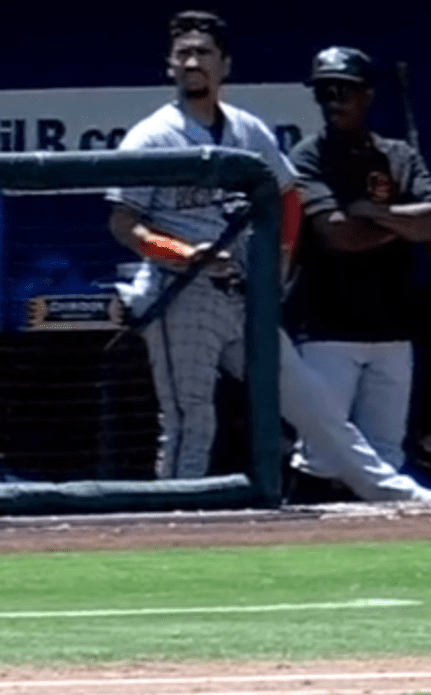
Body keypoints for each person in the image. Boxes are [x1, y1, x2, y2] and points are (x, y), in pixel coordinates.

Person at [105, 10, 430, 502]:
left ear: (225, 65)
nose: (193, 62)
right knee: (192, 420)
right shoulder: (152, 135)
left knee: (313, 404)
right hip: (181, 296)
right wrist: (180, 252)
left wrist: (277, 262)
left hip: (241, 296)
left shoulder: (246, 129)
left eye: (204, 53)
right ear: (169, 65)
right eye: (183, 54)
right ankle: (172, 521)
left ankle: (395, 494)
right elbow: (123, 225)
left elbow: (288, 197)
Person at [286, 46, 431, 493]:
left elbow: (429, 224)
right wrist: (400, 222)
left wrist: (371, 211)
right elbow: (338, 235)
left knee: (385, 456)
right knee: (323, 458)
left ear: (366, 95)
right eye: (325, 91)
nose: (334, 100)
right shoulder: (309, 156)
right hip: (329, 328)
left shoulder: (398, 155)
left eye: (344, 90)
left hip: (393, 327)